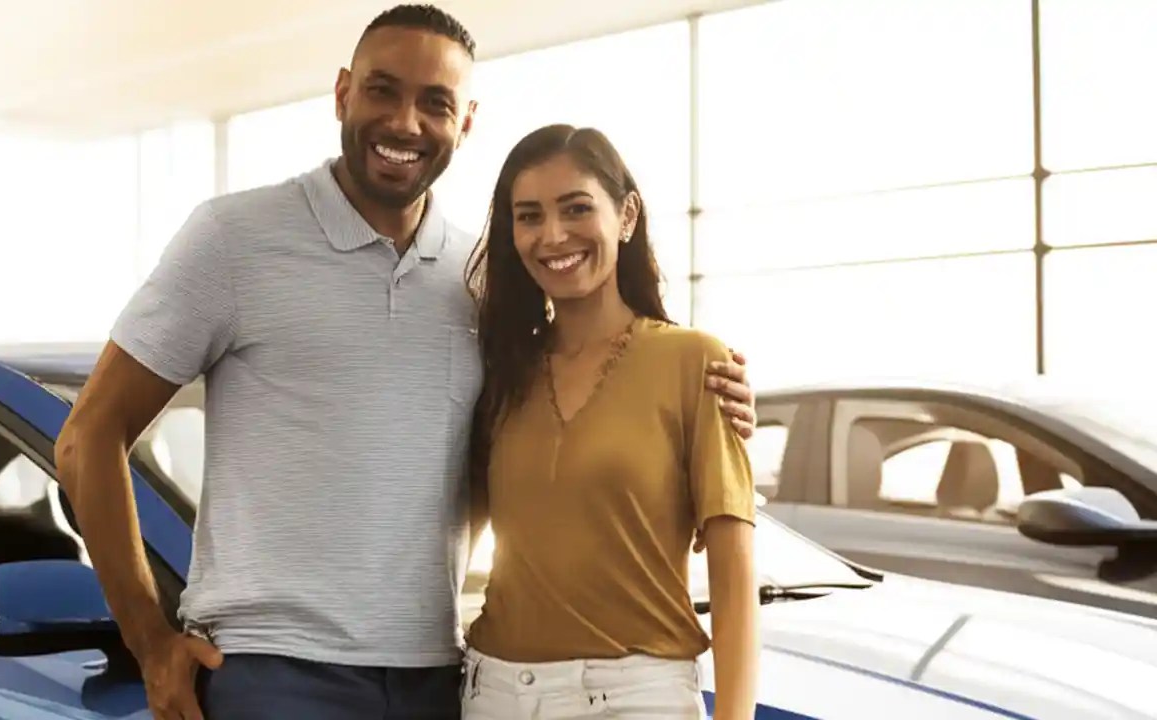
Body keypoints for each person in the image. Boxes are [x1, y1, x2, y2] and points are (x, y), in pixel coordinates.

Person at [53, 5, 756, 720]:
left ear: (466, 122)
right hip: (275, 673)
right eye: (383, 90)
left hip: (438, 679)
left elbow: (565, 435)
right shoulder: (233, 239)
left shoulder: (481, 282)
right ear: (341, 95)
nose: (406, 123)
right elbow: (87, 438)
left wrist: (705, 405)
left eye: (436, 103)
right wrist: (149, 641)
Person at [460, 124, 759, 719]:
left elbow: (734, 574)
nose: (552, 236)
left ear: (626, 216)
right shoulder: (497, 373)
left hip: (637, 699)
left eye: (576, 209)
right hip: (495, 694)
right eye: (529, 216)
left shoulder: (697, 362)